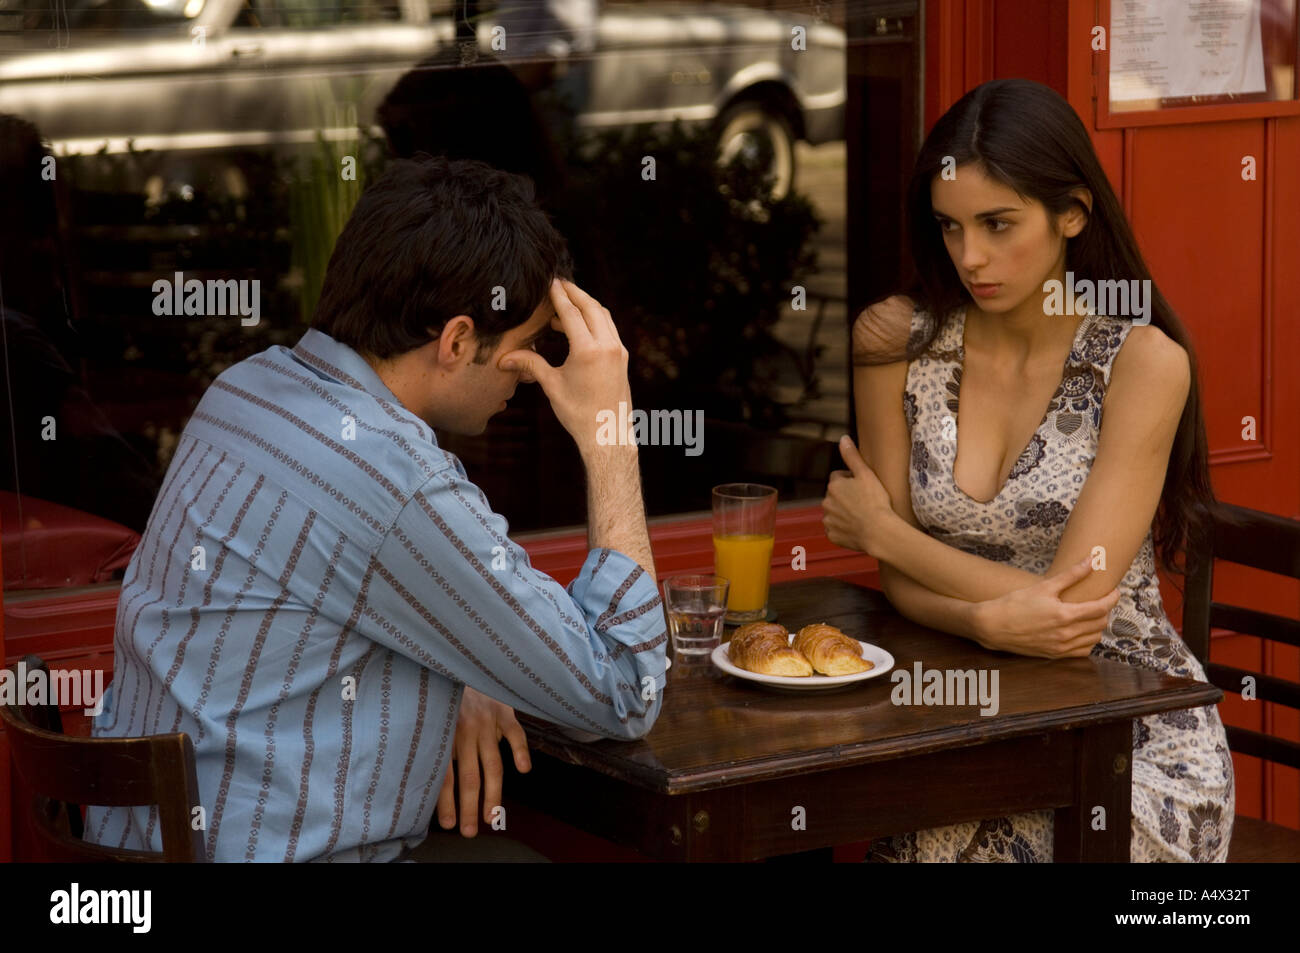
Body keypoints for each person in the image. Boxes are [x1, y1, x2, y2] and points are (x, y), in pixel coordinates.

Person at [84, 155, 667, 862]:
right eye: (533, 346)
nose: (540, 372)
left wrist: (464, 668)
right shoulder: (396, 482)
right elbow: (624, 685)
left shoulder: (240, 390)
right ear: (456, 341)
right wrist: (611, 432)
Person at [823, 78, 1234, 861]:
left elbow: (1077, 612)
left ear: (1071, 213)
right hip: (971, 715)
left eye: (998, 224)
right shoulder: (893, 342)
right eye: (949, 227)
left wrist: (884, 531)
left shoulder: (1143, 364)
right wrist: (984, 620)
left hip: (1135, 735)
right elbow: (901, 588)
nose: (970, 256)